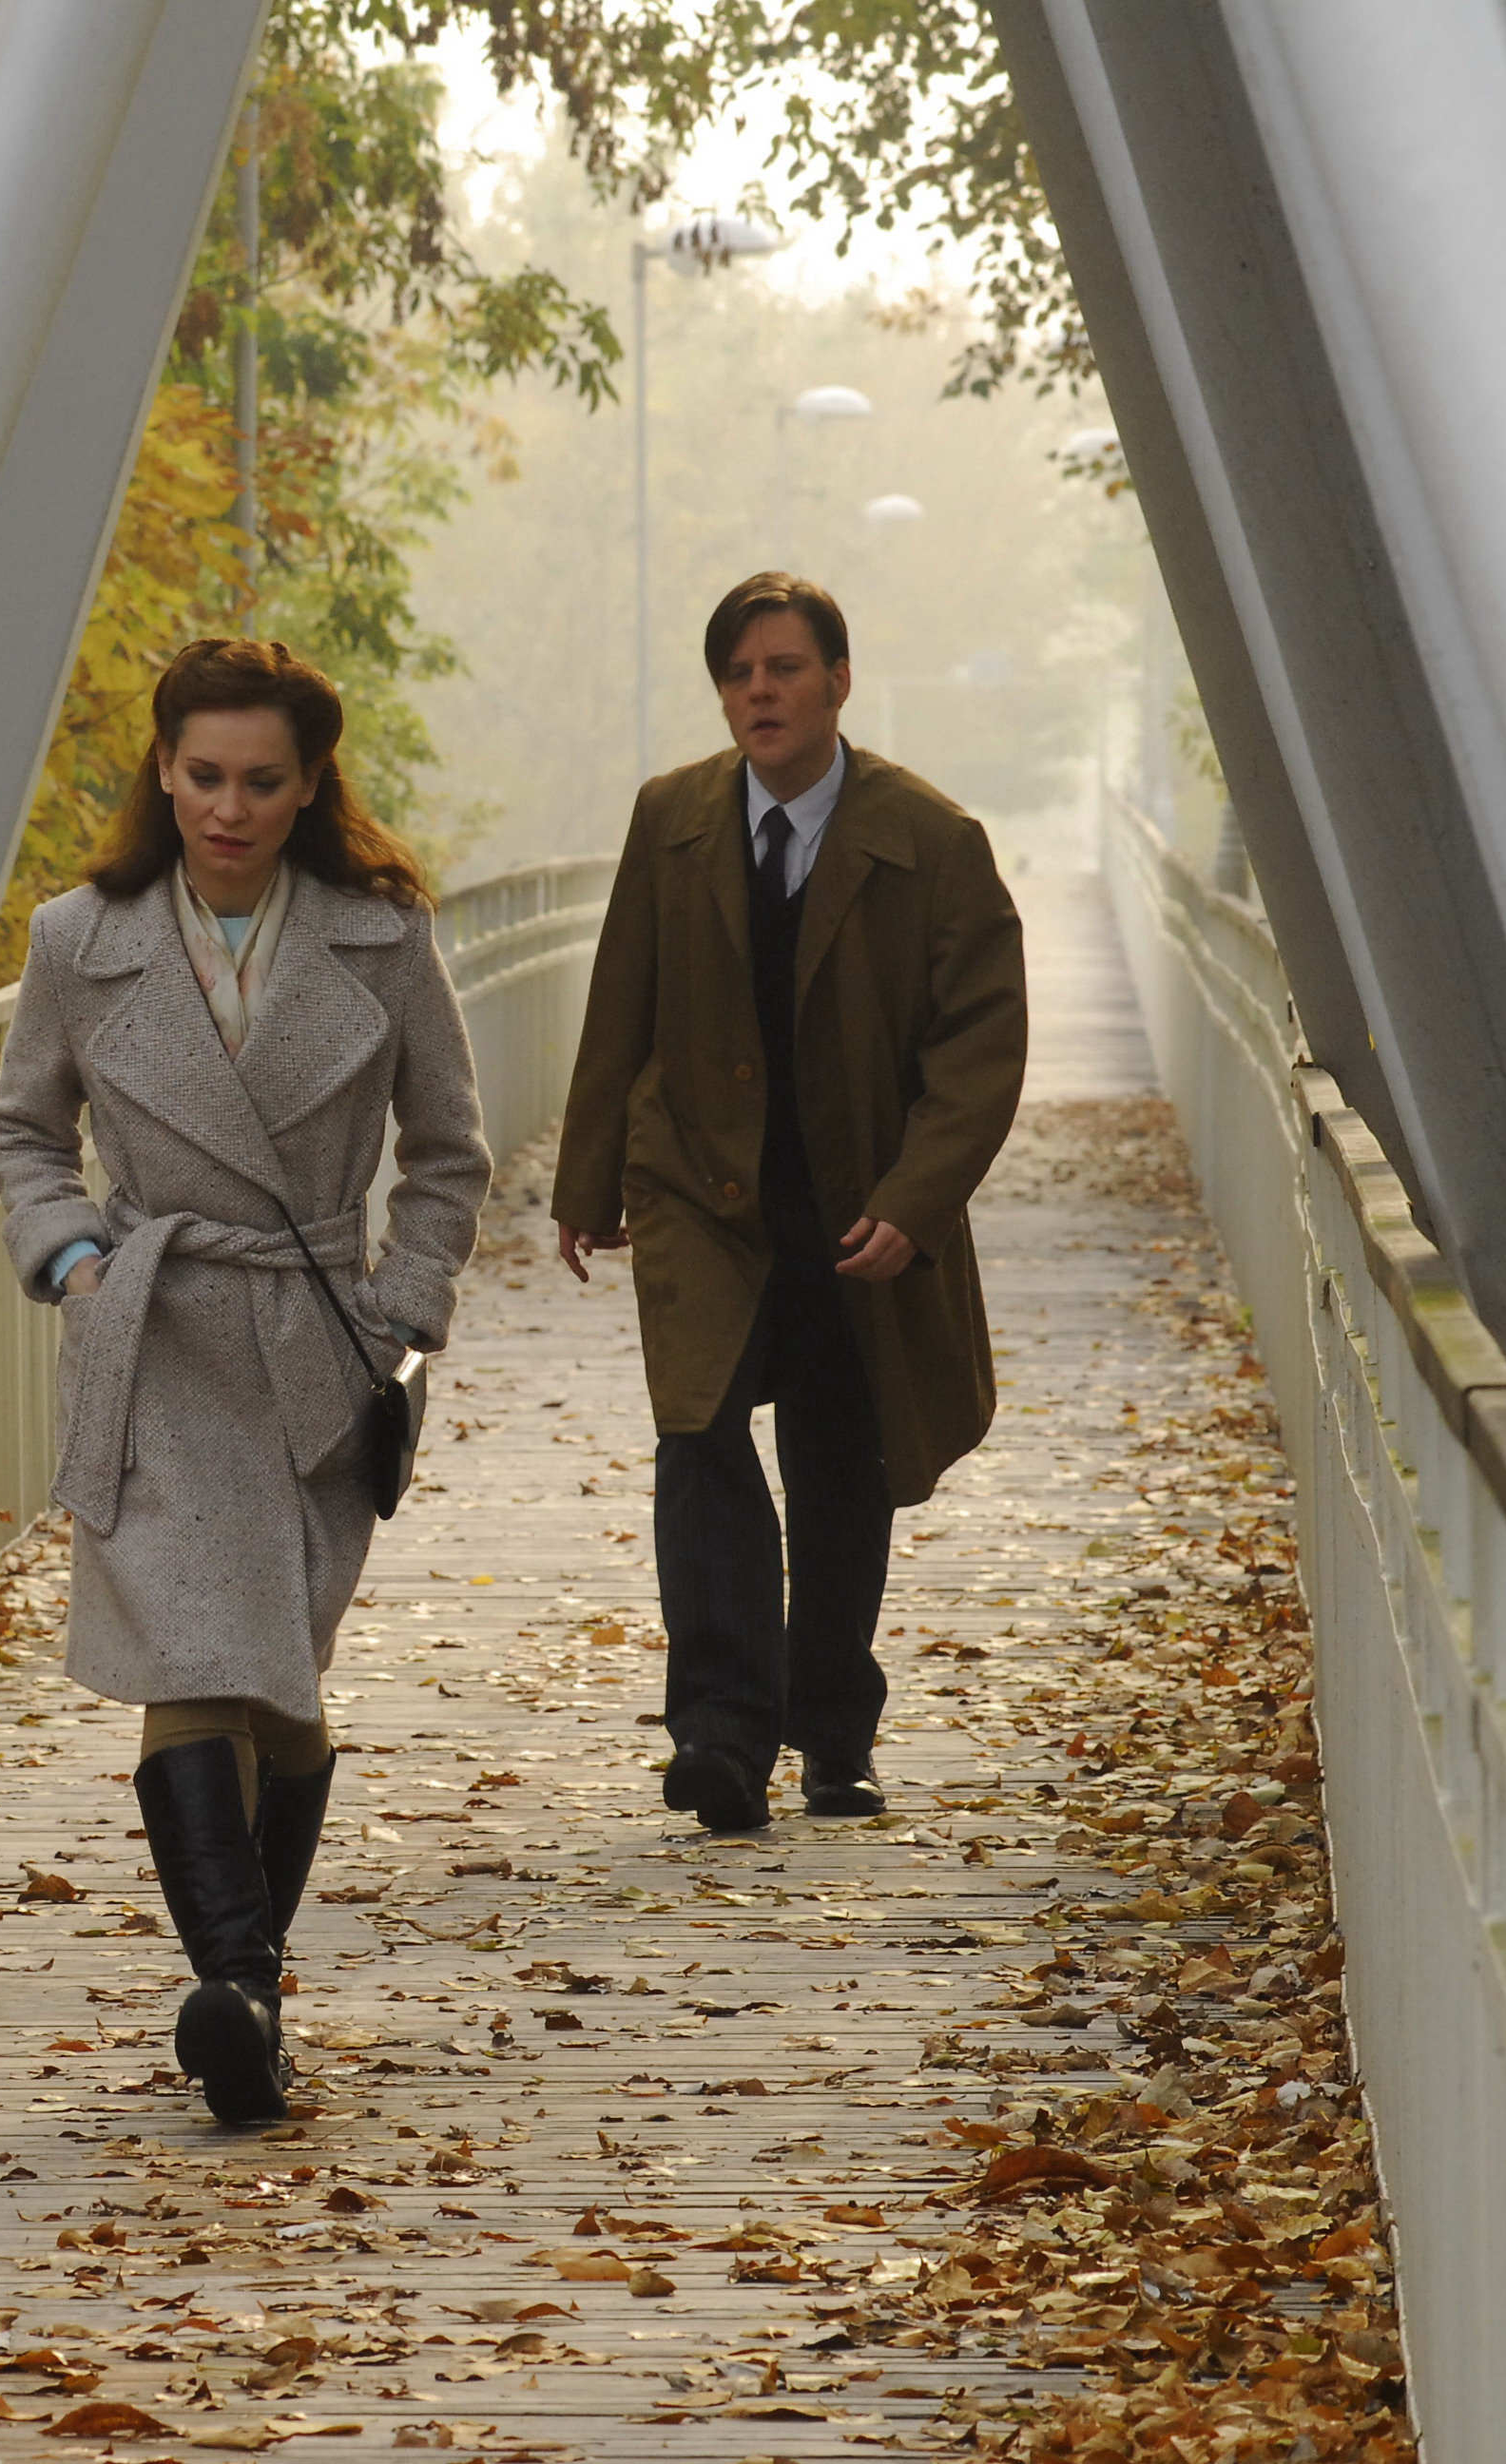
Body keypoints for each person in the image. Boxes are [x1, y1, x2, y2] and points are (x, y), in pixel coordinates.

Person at [0, 638, 489, 2127]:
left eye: (263, 780)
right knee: (197, 1656)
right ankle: (232, 1980)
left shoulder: (384, 941)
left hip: (320, 1351)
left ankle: (248, 1997)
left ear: (310, 783)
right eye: (203, 775)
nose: (229, 806)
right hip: (155, 1338)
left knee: (278, 1686)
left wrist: (399, 1311)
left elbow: (450, 1150)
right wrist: (72, 1253)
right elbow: (22, 1132)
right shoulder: (83, 938)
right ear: (162, 769)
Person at [553, 572, 1026, 1834]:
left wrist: (917, 1201)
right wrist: (587, 1180)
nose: (759, 691)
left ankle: (832, 1735)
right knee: (696, 1433)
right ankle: (717, 1731)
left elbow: (981, 1045)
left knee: (836, 1461)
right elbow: (622, 1003)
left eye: (783, 668)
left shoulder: (929, 841)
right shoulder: (673, 820)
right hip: (701, 1192)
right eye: (738, 672)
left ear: (838, 682)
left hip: (854, 1203)